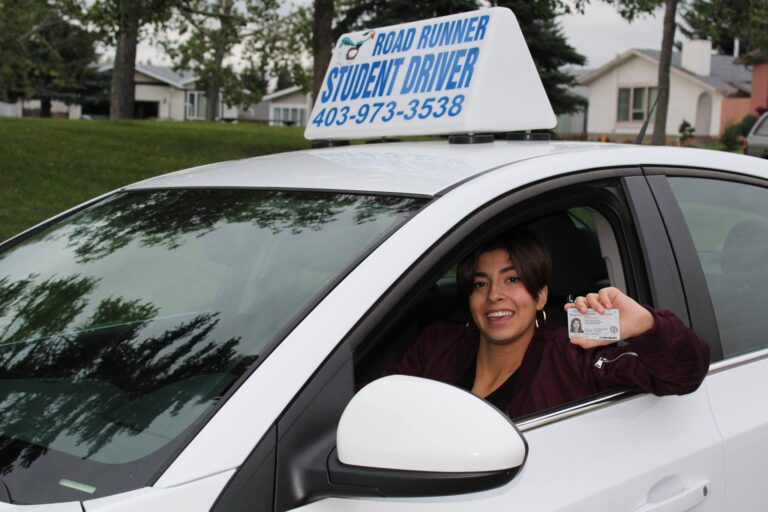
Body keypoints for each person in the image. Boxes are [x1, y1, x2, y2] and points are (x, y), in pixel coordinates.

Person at [383, 231, 710, 419]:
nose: (495, 295)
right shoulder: (438, 343)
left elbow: (683, 376)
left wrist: (645, 325)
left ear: (540, 296)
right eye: (480, 284)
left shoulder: (573, 354)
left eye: (513, 279)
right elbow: (382, 404)